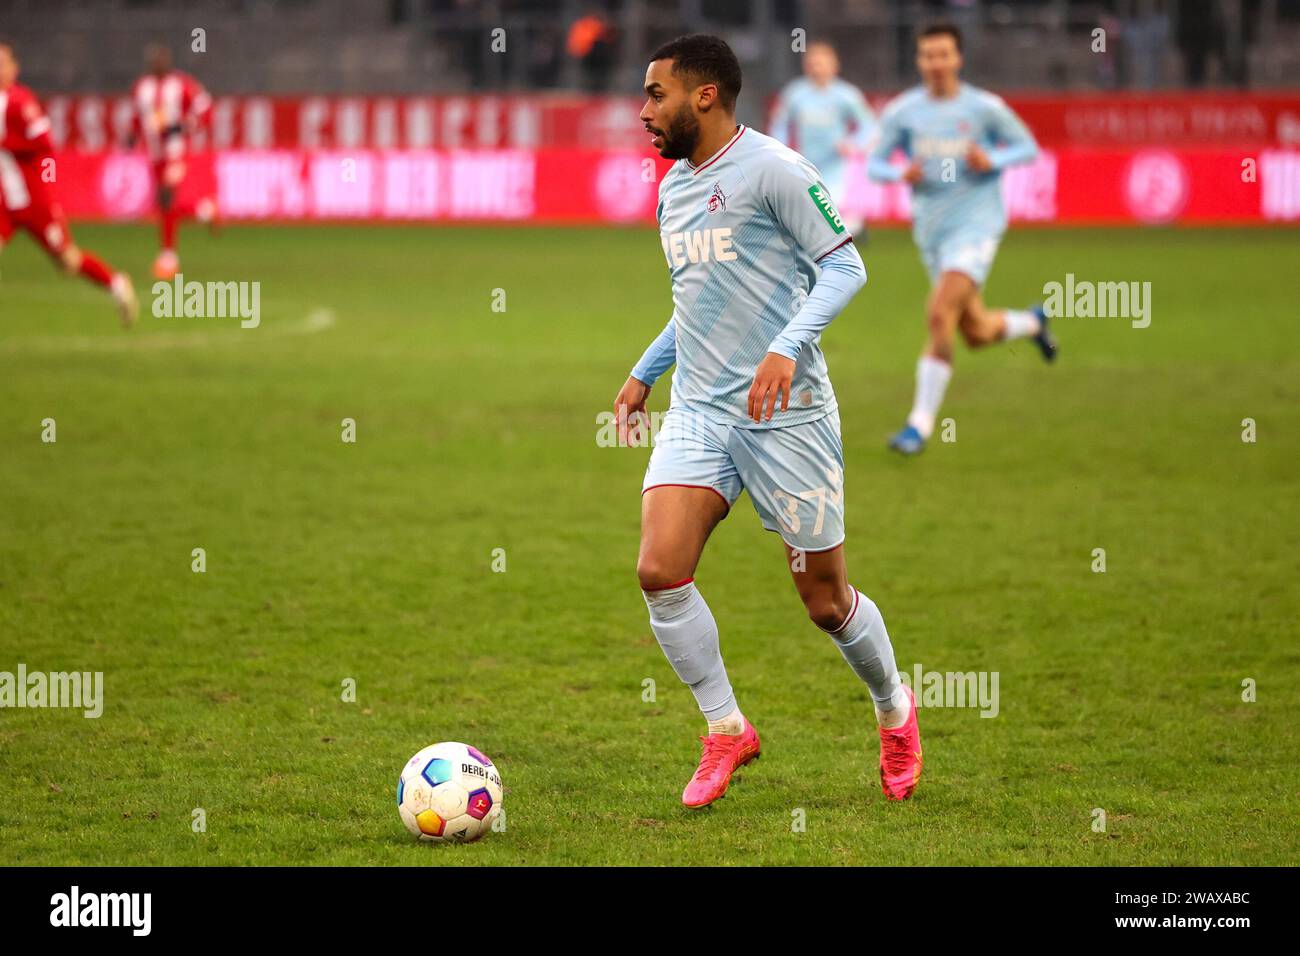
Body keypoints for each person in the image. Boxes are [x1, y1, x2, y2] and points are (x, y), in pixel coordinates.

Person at [614, 34, 922, 809]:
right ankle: (726, 729)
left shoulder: (775, 170)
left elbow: (846, 265)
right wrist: (645, 371)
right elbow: (698, 302)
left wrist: (788, 347)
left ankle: (893, 708)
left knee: (826, 602)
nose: (644, 111)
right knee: (659, 570)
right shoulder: (673, 190)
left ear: (705, 96)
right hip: (702, 413)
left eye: (657, 94)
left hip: (788, 415)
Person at [868, 23, 1055, 456]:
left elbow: (1026, 147)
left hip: (978, 226)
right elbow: (875, 165)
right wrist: (900, 173)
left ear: (958, 58)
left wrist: (994, 158)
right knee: (973, 331)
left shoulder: (985, 108)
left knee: (938, 314)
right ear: (919, 61)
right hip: (932, 232)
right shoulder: (903, 112)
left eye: (943, 54)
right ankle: (1032, 323)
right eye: (928, 55)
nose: (936, 63)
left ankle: (918, 425)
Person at [0, 41, 137, 326]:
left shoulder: (20, 102)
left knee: (68, 261)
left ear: (14, 68)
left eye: (3, 63)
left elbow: (45, 142)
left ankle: (116, 283)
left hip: (33, 202)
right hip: (4, 202)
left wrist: (45, 183)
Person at [769, 41, 876, 236]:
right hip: (804, 164)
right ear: (806, 65)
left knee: (825, 215)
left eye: (822, 63)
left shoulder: (847, 95)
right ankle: (852, 226)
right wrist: (781, 150)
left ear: (834, 65)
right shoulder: (795, 93)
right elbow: (780, 125)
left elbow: (869, 126)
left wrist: (852, 144)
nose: (817, 68)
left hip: (836, 166)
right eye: (812, 63)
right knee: (810, 215)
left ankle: (848, 232)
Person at [130, 44, 216, 280]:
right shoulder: (142, 87)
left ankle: (168, 258)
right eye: (154, 60)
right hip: (155, 153)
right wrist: (132, 133)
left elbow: (206, 111)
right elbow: (139, 117)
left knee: (166, 198)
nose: (158, 63)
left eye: (162, 59)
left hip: (177, 150)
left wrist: (185, 126)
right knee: (163, 203)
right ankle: (204, 211)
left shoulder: (183, 84)